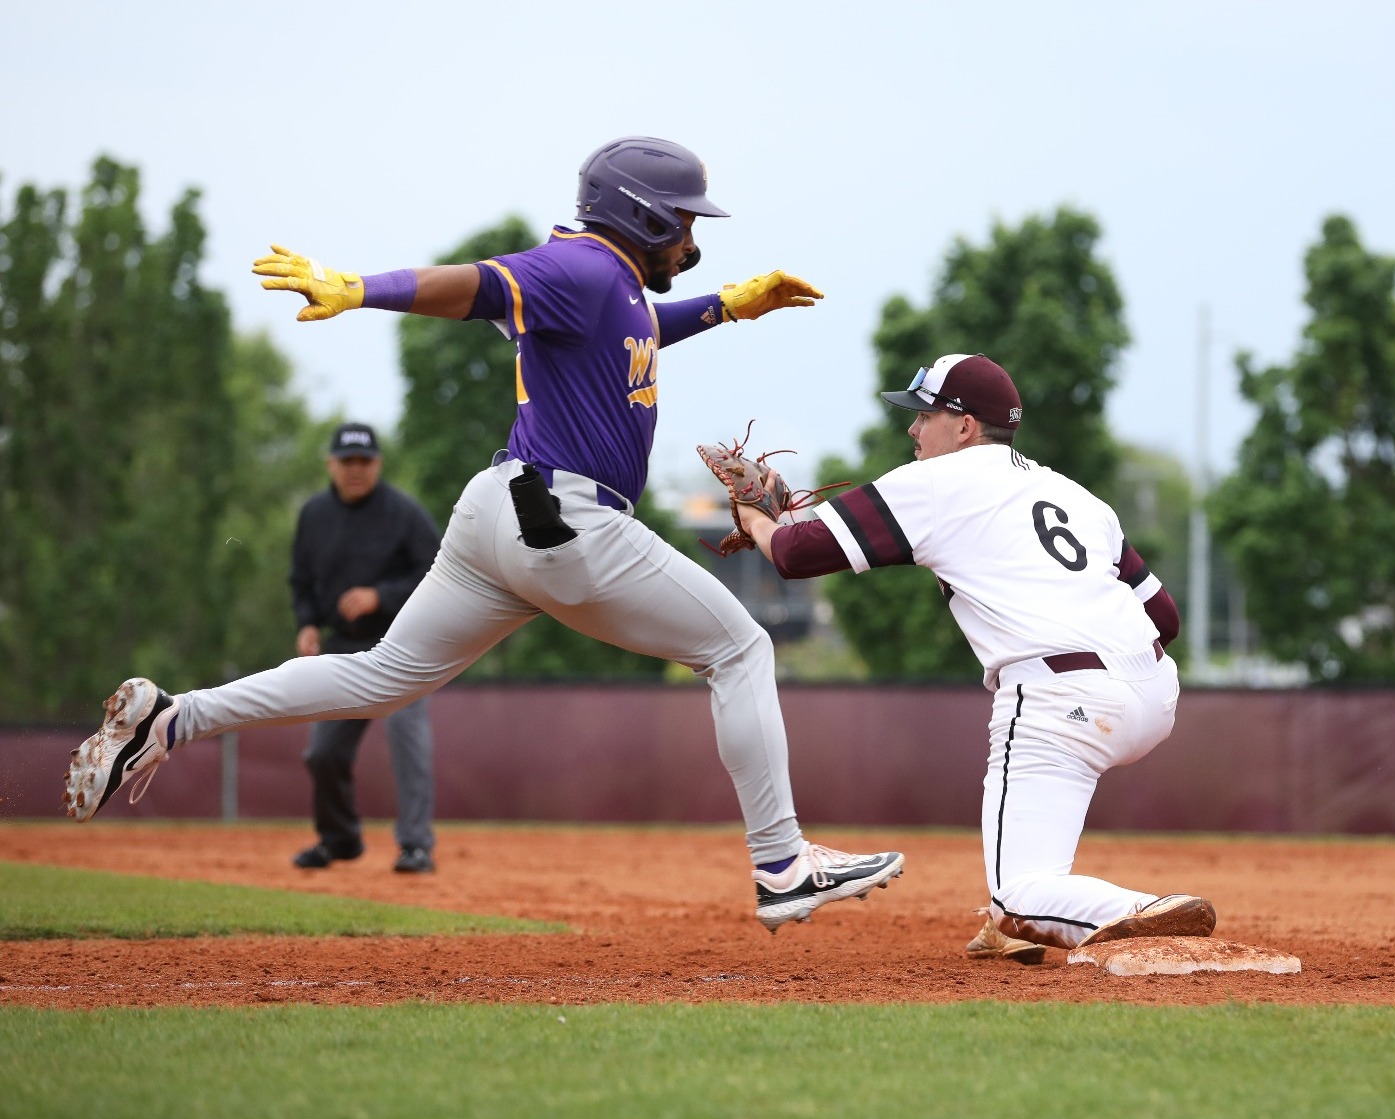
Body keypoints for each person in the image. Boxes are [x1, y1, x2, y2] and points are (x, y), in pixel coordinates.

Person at [63, 136, 903, 932]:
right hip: (570, 522)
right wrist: (359, 288)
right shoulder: (579, 264)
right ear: (643, 215)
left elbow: (636, 335)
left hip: (499, 513)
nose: (692, 237)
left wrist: (723, 307)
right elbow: (474, 286)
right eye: (683, 220)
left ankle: (169, 720)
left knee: (381, 676)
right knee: (742, 649)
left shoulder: (608, 286)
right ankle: (782, 863)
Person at [727, 353, 1212, 963]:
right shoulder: (1076, 496)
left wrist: (756, 516)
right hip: (1153, 689)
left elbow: (795, 555)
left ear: (963, 427)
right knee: (1028, 871)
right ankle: (1015, 930)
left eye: (923, 415)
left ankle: (1134, 911)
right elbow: (1165, 617)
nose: (912, 430)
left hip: (1059, 697)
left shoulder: (933, 483)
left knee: (1019, 894)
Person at [290, 422, 442, 875]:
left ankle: (416, 846)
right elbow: (301, 581)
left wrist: (381, 595)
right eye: (347, 461)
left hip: (402, 648)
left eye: (365, 461)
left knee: (408, 744)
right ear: (330, 464)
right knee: (323, 753)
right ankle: (339, 840)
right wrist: (308, 624)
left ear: (378, 464)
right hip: (343, 650)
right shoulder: (313, 514)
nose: (356, 470)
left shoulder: (404, 513)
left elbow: (438, 571)